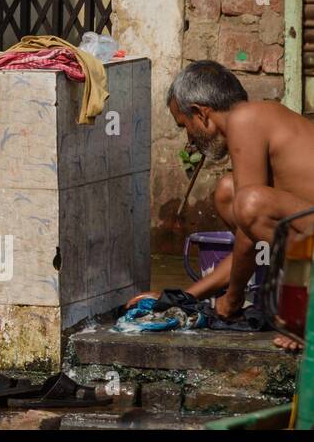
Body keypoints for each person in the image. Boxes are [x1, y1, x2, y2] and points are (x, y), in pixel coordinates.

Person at [126, 60, 313, 351]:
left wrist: (233, 298)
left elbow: (251, 221)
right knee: (229, 192)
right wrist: (183, 297)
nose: (189, 138)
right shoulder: (255, 118)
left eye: (184, 125)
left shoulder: (245, 119)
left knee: (248, 202)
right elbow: (248, 241)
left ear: (201, 113)